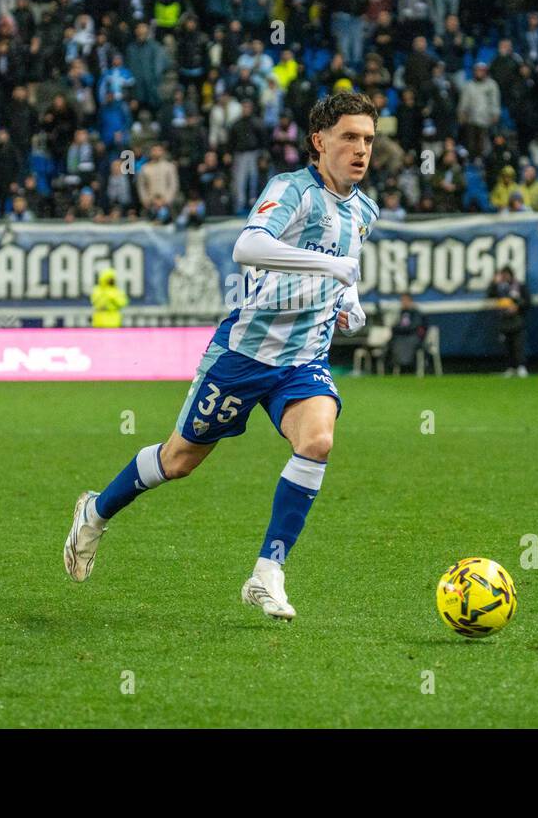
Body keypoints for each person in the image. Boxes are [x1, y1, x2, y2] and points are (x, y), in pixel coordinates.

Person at [65, 92, 378, 622]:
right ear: (319, 141)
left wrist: (349, 304)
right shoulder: (291, 190)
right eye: (349, 137)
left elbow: (340, 277)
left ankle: (267, 574)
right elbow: (248, 248)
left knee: (318, 441)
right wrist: (332, 272)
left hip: (303, 361)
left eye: (368, 139)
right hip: (245, 354)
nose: (361, 149)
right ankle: (94, 512)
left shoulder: (364, 210)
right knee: (178, 461)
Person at [488, 267, 529, 377]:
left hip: (517, 320)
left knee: (518, 345)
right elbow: (490, 295)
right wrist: (493, 282)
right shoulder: (500, 287)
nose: (504, 277)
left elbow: (527, 301)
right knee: (507, 346)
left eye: (506, 274)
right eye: (503, 275)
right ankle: (511, 367)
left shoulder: (518, 285)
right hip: (504, 321)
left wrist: (517, 307)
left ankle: (521, 367)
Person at [389, 294, 429, 373]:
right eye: (402, 301)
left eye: (405, 301)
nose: (404, 303)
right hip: (401, 337)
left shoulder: (416, 313)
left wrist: (402, 329)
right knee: (392, 343)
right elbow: (395, 325)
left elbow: (416, 326)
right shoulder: (400, 313)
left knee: (408, 343)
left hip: (413, 337)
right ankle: (395, 367)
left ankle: (409, 367)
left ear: (410, 301)